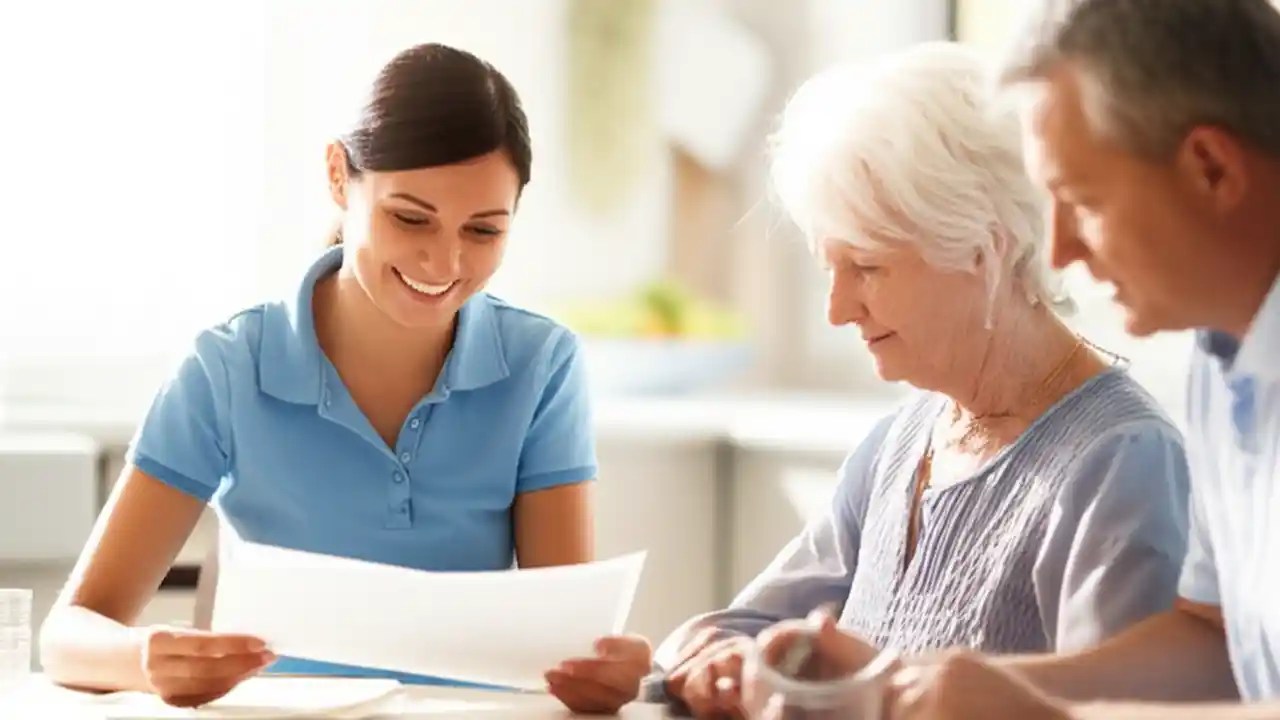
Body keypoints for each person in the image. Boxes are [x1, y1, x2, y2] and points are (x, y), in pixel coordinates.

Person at [544, 42, 1191, 717]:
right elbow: (732, 631)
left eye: (868, 268)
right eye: (831, 267)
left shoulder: (1119, 464)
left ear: (984, 248)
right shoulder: (904, 439)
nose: (837, 309)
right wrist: (702, 666)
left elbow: (1118, 712)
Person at [755, 2, 1280, 719]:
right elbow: (1213, 643)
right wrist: (923, 683)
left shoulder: (1125, 450)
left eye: (1083, 201)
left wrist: (1049, 715)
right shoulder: (1226, 368)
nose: (1058, 252)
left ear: (1212, 169)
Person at [38, 43, 598, 707]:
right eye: (409, 217)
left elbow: (567, 648)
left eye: (483, 230)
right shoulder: (229, 367)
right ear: (339, 175)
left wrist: (600, 673)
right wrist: (146, 659)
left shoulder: (541, 367)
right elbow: (67, 636)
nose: (444, 260)